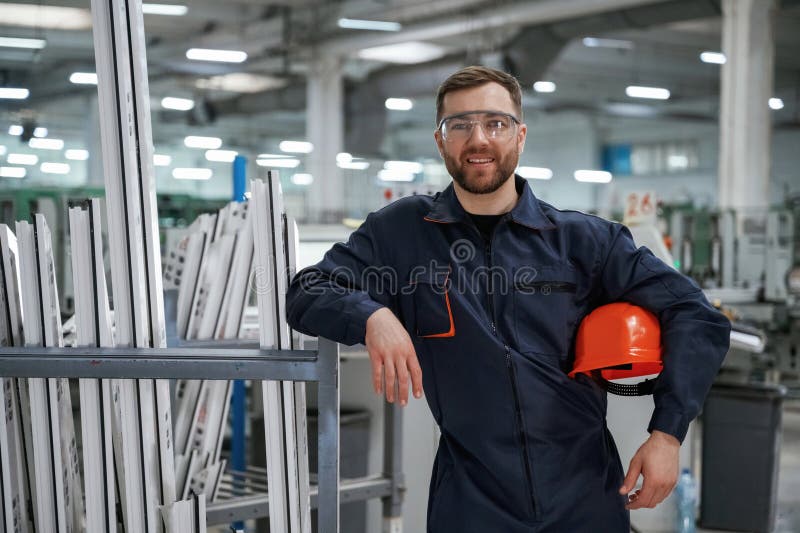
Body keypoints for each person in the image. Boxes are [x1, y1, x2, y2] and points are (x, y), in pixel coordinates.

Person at [286, 66, 730, 532]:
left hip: (584, 497)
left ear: (519, 136)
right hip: (472, 502)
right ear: (441, 140)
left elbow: (696, 315)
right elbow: (307, 290)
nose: (478, 138)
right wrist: (373, 316)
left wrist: (667, 435)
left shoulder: (583, 242)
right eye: (459, 125)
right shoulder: (402, 233)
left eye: (495, 123)